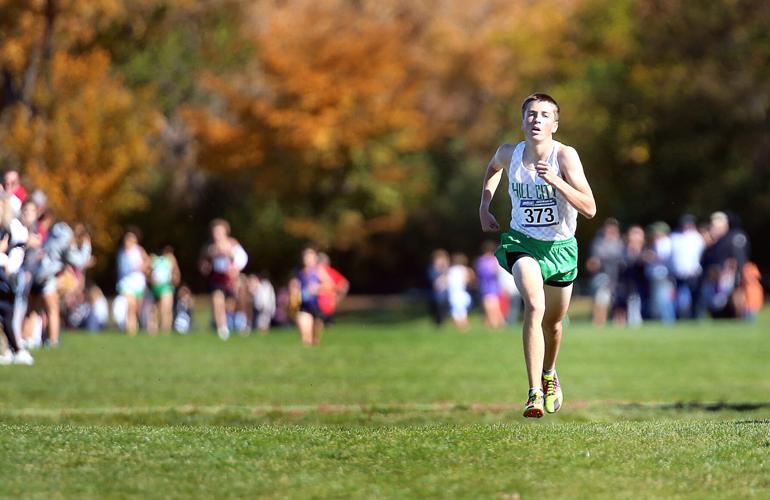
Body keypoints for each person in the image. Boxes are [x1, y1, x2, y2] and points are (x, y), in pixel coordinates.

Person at [479, 93, 596, 418]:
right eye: (531, 114)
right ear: (522, 121)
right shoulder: (509, 152)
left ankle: (549, 375)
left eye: (545, 115)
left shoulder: (565, 156)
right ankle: (532, 393)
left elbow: (589, 208)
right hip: (522, 242)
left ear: (554, 125)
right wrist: (484, 205)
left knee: (554, 324)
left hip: (560, 248)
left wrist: (555, 180)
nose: (536, 119)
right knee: (535, 304)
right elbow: (492, 168)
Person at [199, 219, 248, 340]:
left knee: (234, 303)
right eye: (215, 232)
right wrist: (206, 265)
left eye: (219, 232)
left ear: (226, 232)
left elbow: (243, 258)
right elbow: (203, 264)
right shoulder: (209, 247)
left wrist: (232, 260)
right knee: (217, 300)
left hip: (231, 278)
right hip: (217, 277)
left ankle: (241, 322)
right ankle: (222, 329)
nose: (217, 235)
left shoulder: (232, 243)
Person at [289, 247, 332, 346]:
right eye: (305, 256)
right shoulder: (298, 272)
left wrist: (317, 288)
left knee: (315, 339)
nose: (307, 259)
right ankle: (304, 354)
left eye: (310, 256)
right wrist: (294, 290)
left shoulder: (319, 271)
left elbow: (329, 285)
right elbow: (293, 286)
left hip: (317, 307)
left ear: (315, 258)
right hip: (303, 306)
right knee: (305, 336)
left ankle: (314, 353)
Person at [585, 218, 624, 326]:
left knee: (616, 302)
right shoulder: (599, 243)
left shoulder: (620, 243)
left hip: (617, 278)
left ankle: (615, 322)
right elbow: (594, 261)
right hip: (603, 276)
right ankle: (598, 322)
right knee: (601, 300)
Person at [669, 214, 705, 319]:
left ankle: (693, 316)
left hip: (693, 273)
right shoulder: (675, 237)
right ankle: (682, 317)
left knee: (693, 298)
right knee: (680, 299)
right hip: (678, 274)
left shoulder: (697, 238)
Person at [116, 228, 149, 336]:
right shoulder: (121, 253)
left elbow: (148, 262)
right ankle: (130, 331)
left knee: (137, 309)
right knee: (131, 306)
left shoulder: (139, 251)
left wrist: (142, 267)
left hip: (138, 283)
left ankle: (134, 326)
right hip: (126, 284)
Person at [149, 245, 181, 333]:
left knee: (166, 309)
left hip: (167, 286)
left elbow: (176, 274)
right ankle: (153, 331)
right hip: (156, 287)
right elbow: (149, 273)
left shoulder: (171, 259)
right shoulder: (153, 258)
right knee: (154, 310)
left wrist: (174, 280)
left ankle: (165, 330)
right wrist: (152, 280)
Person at [476, 241, 505, 329]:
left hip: (489, 287)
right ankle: (494, 324)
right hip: (490, 287)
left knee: (492, 308)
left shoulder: (483, 261)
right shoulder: (493, 260)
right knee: (492, 307)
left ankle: (495, 324)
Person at [317, 252, 349, 323]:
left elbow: (344, 285)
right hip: (321, 305)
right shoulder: (313, 272)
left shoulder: (330, 272)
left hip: (324, 306)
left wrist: (337, 298)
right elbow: (345, 285)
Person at [447, 252, 474, 331]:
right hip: (462, 293)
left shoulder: (450, 270)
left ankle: (460, 327)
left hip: (453, 294)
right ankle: (464, 327)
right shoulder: (464, 270)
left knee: (455, 311)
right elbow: (468, 280)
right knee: (462, 311)